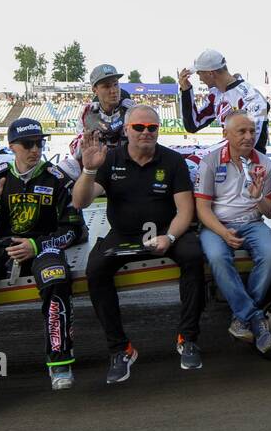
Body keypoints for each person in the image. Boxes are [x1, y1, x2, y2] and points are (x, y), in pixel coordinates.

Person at [0, 118, 82, 410]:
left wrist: (36, 245)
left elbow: (74, 229)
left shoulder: (57, 178)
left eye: (39, 143)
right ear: (12, 147)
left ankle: (59, 363)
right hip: (4, 247)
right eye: (27, 144)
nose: (35, 149)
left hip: (43, 245)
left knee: (56, 278)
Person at [74, 105, 205, 380]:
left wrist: (169, 237)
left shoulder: (172, 161)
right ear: (126, 130)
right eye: (138, 127)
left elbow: (185, 211)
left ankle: (188, 338)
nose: (146, 132)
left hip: (167, 232)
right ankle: (120, 349)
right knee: (96, 270)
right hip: (124, 234)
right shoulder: (109, 159)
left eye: (152, 128)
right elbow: (80, 201)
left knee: (193, 256)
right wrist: (88, 170)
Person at [194, 111, 271, 354]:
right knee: (219, 258)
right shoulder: (210, 161)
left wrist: (258, 196)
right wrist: (223, 232)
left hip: (253, 223)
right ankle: (252, 317)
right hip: (217, 224)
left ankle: (241, 318)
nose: (249, 136)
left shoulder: (265, 163)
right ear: (225, 134)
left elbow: (270, 213)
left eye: (252, 131)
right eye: (241, 131)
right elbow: (202, 208)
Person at [178, 48, 270, 152]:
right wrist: (186, 91)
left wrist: (208, 155)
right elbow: (193, 125)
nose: (200, 79)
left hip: (249, 162)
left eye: (199, 73)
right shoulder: (216, 94)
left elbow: (248, 143)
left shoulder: (250, 97)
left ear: (210, 73)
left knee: (189, 161)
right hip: (227, 156)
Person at [78, 63, 136, 149]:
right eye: (106, 86)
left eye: (115, 84)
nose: (113, 91)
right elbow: (75, 151)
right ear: (94, 89)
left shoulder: (132, 109)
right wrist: (87, 137)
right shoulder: (87, 112)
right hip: (97, 160)